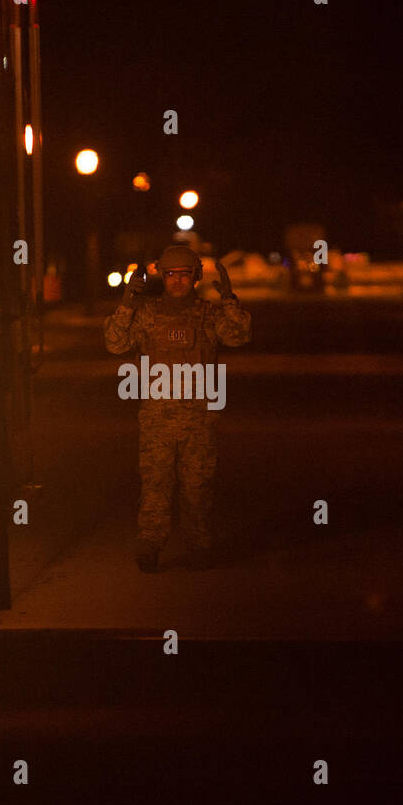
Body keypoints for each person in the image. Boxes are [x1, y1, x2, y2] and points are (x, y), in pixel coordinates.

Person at [103, 245, 252, 572]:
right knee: (155, 484)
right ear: (163, 277)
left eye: (184, 275)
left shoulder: (208, 314)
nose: (177, 282)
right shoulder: (147, 313)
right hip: (157, 418)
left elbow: (239, 335)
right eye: (171, 275)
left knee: (197, 488)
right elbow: (115, 342)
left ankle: (198, 543)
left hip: (199, 419)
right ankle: (151, 544)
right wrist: (128, 302)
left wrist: (229, 300)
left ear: (195, 277)